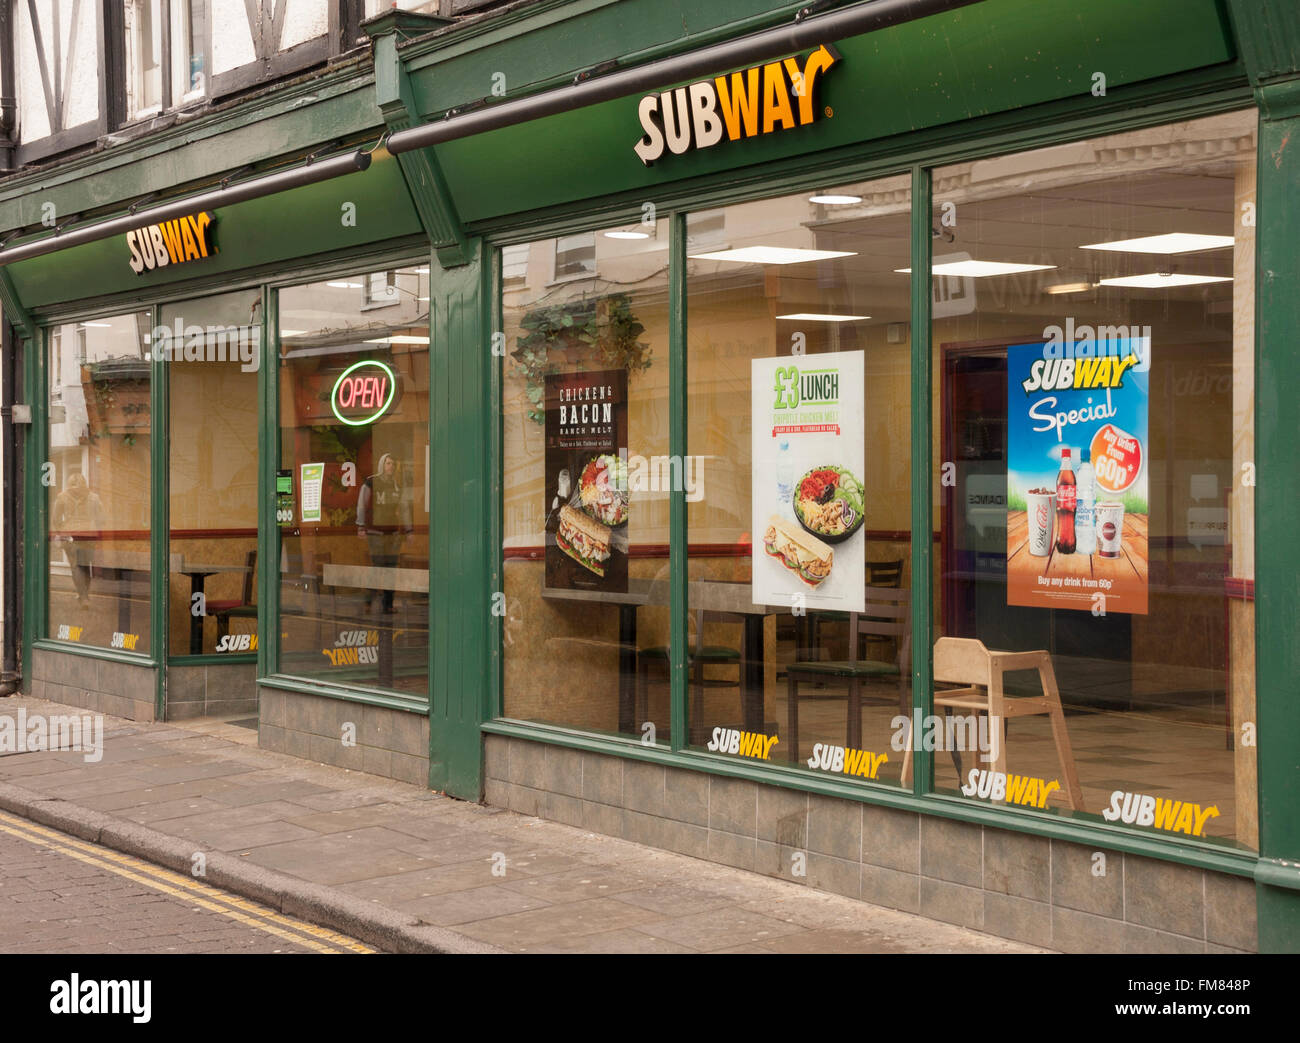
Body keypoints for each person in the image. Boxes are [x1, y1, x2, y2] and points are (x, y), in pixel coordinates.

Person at [356, 453, 411, 612]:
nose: (391, 466)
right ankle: (368, 601)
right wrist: (361, 526)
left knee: (391, 569)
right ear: (382, 465)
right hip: (375, 533)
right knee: (378, 567)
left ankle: (388, 604)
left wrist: (409, 530)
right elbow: (361, 504)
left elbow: (404, 509)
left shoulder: (397, 487)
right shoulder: (371, 482)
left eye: (393, 464)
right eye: (388, 463)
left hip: (392, 534)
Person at [52, 471, 104, 608]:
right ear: (85, 483)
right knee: (86, 565)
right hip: (89, 536)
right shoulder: (94, 497)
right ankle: (85, 594)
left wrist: (62, 530)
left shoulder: (62, 497)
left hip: (70, 537)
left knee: (75, 567)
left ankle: (83, 596)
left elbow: (56, 519)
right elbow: (101, 519)